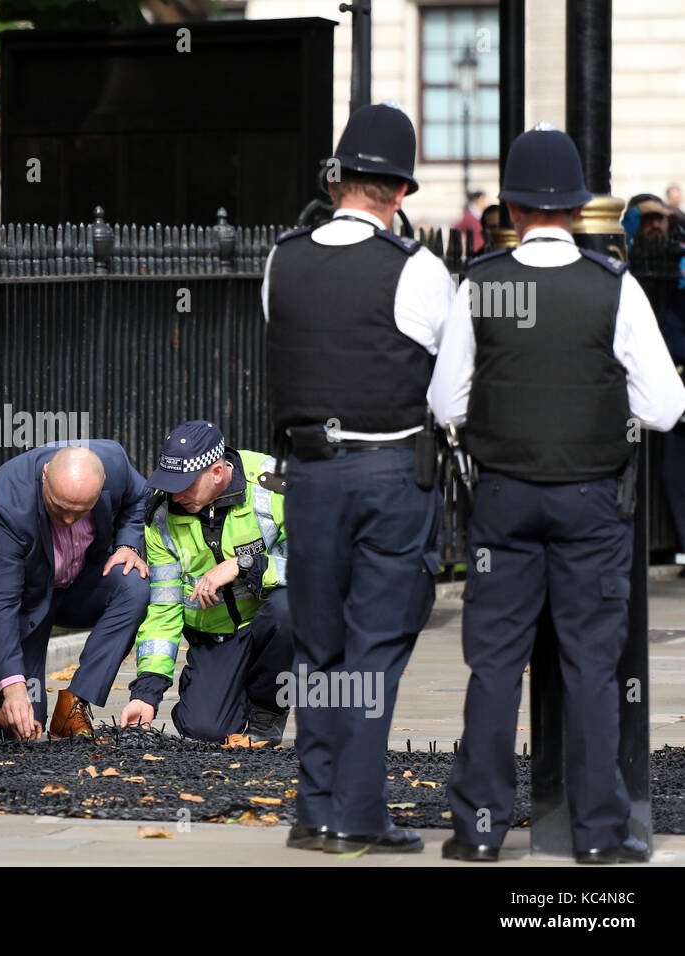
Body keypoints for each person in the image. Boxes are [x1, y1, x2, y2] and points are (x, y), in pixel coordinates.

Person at [430, 124, 685, 864]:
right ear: (577, 208)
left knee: (495, 666)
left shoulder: (479, 283)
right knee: (591, 670)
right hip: (591, 504)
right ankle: (600, 838)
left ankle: (478, 831)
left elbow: (447, 404)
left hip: (504, 499)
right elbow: (665, 406)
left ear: (509, 205)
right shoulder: (615, 287)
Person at [264, 102, 454, 854]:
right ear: (402, 190)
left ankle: (315, 811)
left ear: (338, 177)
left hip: (307, 474)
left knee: (317, 646)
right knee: (374, 647)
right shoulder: (418, 269)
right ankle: (358, 812)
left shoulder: (286, 257)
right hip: (388, 472)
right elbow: (452, 391)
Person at [0, 442, 151, 740]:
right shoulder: (7, 505)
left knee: (134, 584)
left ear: (102, 486)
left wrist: (127, 545)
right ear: (45, 475)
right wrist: (15, 687)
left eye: (80, 511)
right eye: (59, 508)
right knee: (24, 731)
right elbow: (1, 601)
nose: (69, 520)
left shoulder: (115, 464)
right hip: (23, 598)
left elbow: (140, 498)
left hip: (77, 583)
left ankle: (75, 703)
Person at [117, 422, 294, 743]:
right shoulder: (161, 514)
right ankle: (226, 688)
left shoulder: (272, 484)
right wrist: (147, 691)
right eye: (170, 483)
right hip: (216, 636)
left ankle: (267, 708)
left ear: (216, 472)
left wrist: (246, 565)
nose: (176, 494)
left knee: (290, 608)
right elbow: (164, 605)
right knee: (204, 729)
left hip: (268, 622)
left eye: (184, 484)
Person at [452, 190, 488, 255]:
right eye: (484, 200)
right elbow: (455, 229)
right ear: (479, 200)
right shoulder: (469, 217)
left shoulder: (481, 216)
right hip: (474, 252)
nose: (486, 203)